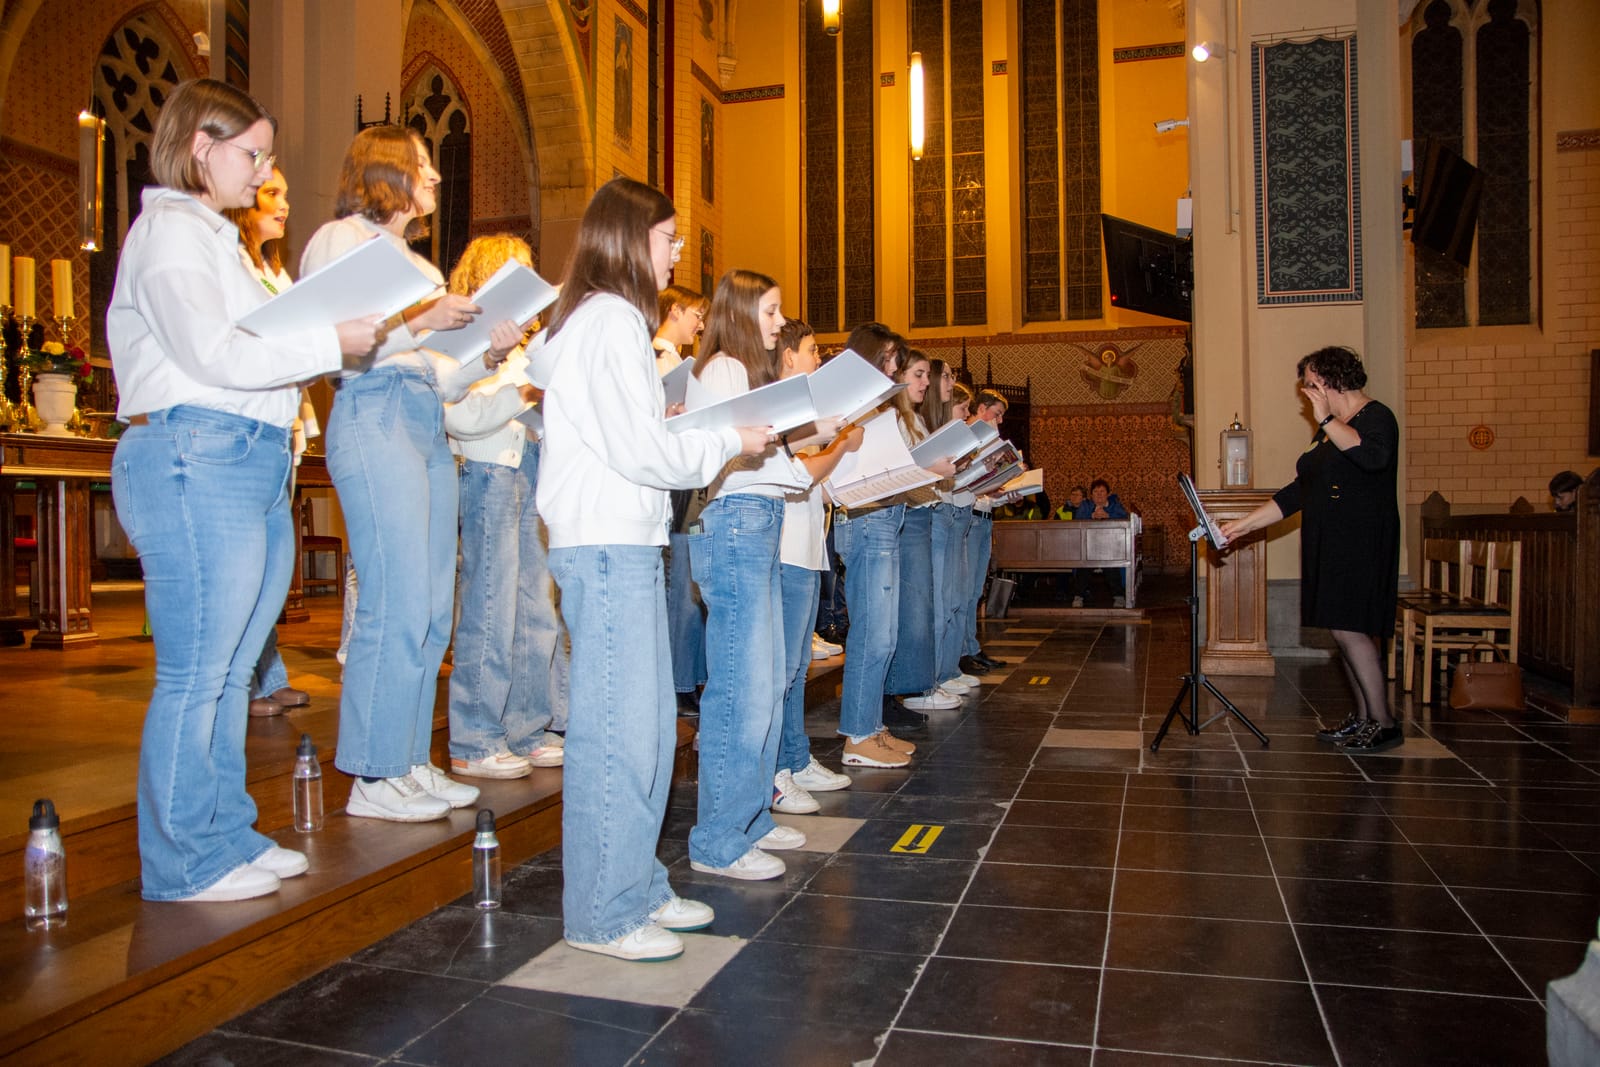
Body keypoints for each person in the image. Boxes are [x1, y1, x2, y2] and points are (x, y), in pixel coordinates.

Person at [107, 79, 382, 902]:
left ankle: (223, 829)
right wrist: (323, 339)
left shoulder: (217, 240)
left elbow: (251, 345)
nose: (262, 171)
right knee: (196, 671)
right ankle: (183, 858)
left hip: (247, 454)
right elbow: (212, 354)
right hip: (195, 452)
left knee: (231, 671)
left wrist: (318, 339)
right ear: (201, 145)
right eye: (251, 153)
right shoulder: (168, 236)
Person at [531, 177, 768, 960]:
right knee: (615, 733)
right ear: (633, 237)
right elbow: (641, 453)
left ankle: (633, 883)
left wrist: (669, 430)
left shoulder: (607, 321)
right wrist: (726, 440)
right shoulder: (608, 320)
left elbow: (626, 435)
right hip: (605, 543)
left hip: (622, 539)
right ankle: (601, 910)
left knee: (649, 730)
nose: (676, 253)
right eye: (669, 237)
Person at [302, 125, 526, 822]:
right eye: (423, 166)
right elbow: (335, 341)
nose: (433, 177)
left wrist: (486, 354)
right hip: (373, 410)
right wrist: (423, 318)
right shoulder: (340, 239)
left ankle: (408, 760)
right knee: (393, 599)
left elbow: (440, 374)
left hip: (425, 414)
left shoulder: (418, 263)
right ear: (389, 172)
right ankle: (373, 773)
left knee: (431, 608)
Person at [687, 269, 846, 881]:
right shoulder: (726, 366)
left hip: (759, 520)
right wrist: (797, 434)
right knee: (739, 689)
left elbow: (777, 468)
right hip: (738, 524)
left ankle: (750, 819)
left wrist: (808, 434)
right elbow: (738, 454)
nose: (780, 323)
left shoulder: (743, 374)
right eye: (773, 311)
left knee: (760, 685)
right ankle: (720, 838)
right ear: (744, 309)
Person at [1220, 345, 1402, 753]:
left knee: (1352, 629)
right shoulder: (1332, 428)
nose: (1306, 392)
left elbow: (1374, 458)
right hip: (1332, 539)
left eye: (1310, 384)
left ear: (1330, 379)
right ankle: (1365, 717)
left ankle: (1384, 723)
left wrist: (1324, 418)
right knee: (1344, 629)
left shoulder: (1376, 416)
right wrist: (1242, 525)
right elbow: (1300, 491)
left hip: (1361, 539)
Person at [442, 235, 569, 780]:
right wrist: (524, 393)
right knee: (491, 608)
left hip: (527, 468)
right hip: (488, 471)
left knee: (535, 611)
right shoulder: (462, 338)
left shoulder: (520, 346)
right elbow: (460, 417)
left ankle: (525, 725)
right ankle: (474, 736)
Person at [221, 167, 315, 720]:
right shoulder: (231, 264)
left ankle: (266, 673)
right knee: (250, 566)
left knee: (274, 566)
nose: (284, 204)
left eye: (285, 193)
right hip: (247, 425)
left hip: (280, 428)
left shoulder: (270, 268)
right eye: (272, 193)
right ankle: (249, 682)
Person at [770, 318, 858, 816]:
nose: (819, 358)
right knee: (783, 667)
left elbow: (818, 485)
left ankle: (797, 757)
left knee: (799, 665)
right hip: (782, 547)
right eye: (812, 349)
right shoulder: (782, 408)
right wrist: (840, 446)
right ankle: (779, 770)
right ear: (788, 356)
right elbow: (796, 475)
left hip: (806, 545)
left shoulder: (803, 409)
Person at [831, 322, 917, 768]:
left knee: (885, 634)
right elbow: (839, 467)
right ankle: (857, 737)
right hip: (865, 518)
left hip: (885, 514)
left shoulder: (878, 403)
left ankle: (872, 726)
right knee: (871, 634)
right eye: (886, 358)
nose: (893, 367)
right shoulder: (848, 402)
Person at [884, 350, 961, 718]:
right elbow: (893, 473)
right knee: (912, 611)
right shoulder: (894, 418)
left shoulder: (912, 418)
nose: (926, 382)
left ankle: (917, 683)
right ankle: (907, 688)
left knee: (926, 607)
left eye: (928, 376)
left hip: (923, 513)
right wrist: (931, 470)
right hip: (909, 515)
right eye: (919, 374)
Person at [655, 285, 710, 716]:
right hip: (673, 492)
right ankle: (678, 680)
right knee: (683, 588)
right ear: (674, 311)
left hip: (689, 487)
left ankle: (689, 675)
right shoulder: (657, 359)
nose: (700, 323)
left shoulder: (678, 363)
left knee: (691, 587)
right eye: (695, 313)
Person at [957, 389, 1010, 677]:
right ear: (980, 409)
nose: (999, 421)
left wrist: (1005, 493)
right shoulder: (968, 439)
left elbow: (984, 491)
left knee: (976, 590)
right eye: (996, 413)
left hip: (984, 517)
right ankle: (962, 652)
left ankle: (971, 646)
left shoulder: (989, 441)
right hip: (967, 519)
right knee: (964, 590)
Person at [1069, 478, 1130, 606]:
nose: (1099, 494)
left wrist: (1108, 517)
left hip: (1111, 547)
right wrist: (1091, 517)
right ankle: (1078, 596)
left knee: (1111, 565)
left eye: (1102, 491)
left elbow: (1125, 519)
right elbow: (1077, 520)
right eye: (1096, 492)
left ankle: (1118, 596)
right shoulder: (1086, 506)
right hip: (1089, 547)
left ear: (1107, 493)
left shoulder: (1115, 505)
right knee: (1084, 565)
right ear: (1091, 495)